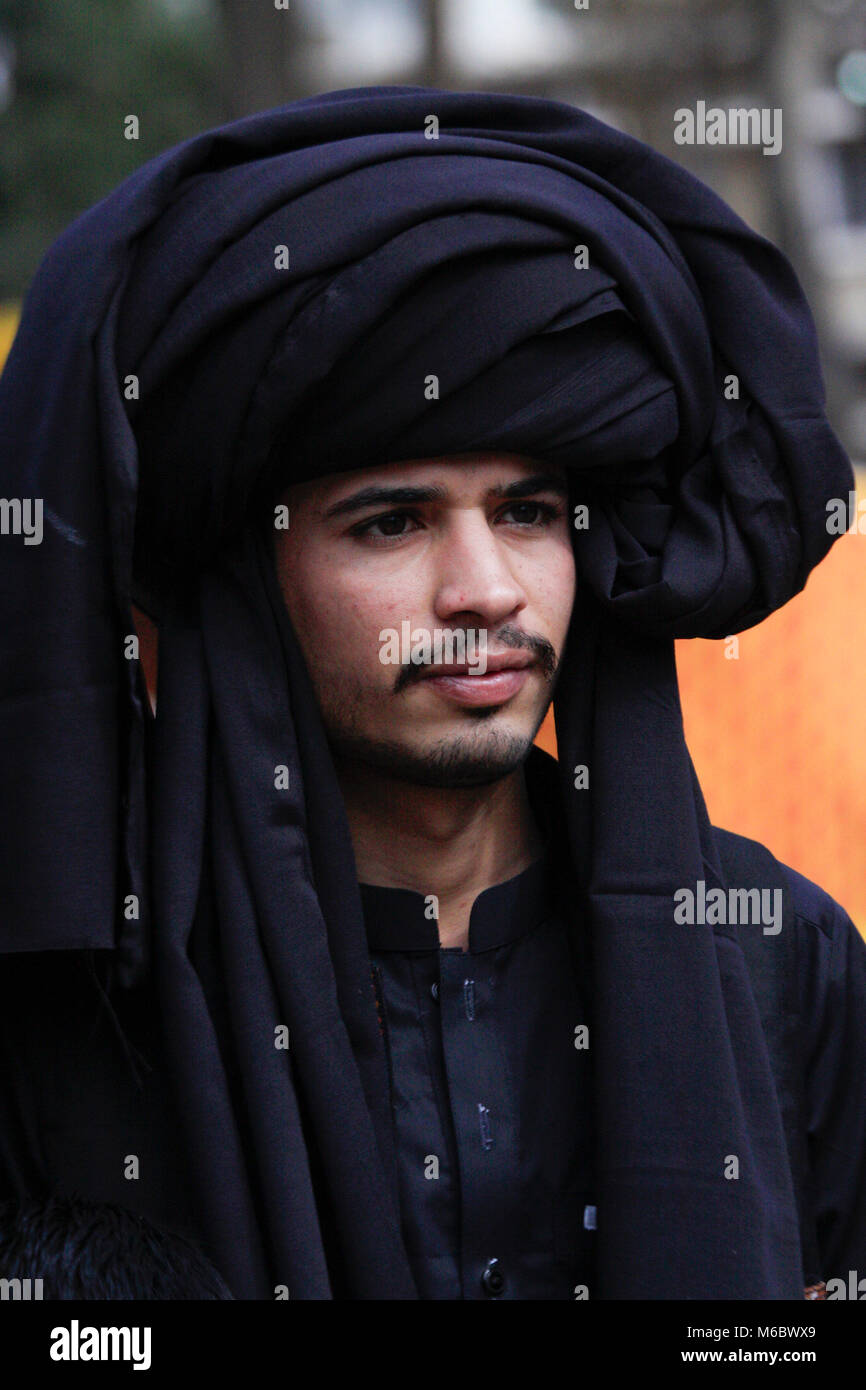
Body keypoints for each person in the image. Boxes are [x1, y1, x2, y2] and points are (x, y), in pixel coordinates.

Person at [0, 84, 863, 1301]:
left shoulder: (783, 962)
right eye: (392, 521)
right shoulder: (79, 1022)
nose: (484, 590)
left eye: (526, 512)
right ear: (240, 580)